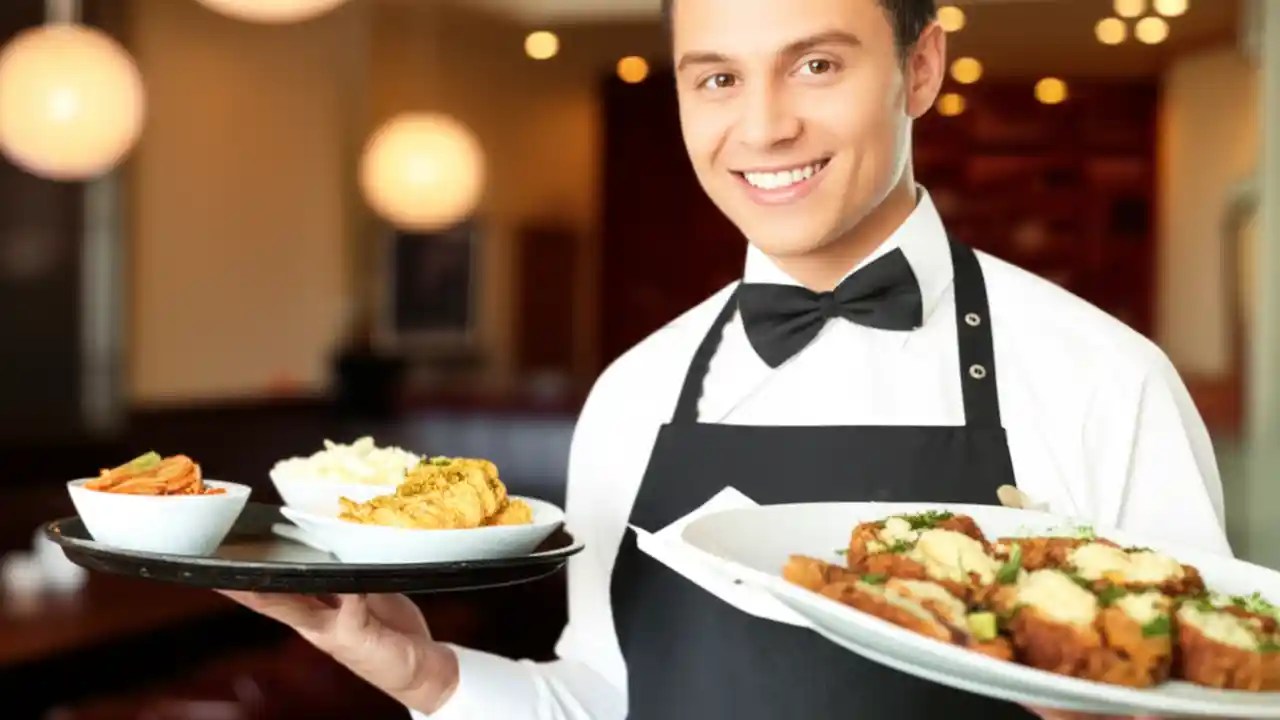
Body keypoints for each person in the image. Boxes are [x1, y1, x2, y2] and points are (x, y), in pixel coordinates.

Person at [222, 0, 1234, 717]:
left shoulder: (1103, 381)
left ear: (918, 67)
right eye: (716, 78)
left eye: (816, 64)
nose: (760, 126)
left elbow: (1210, 687)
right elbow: (610, 699)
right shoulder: (633, 392)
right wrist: (428, 678)